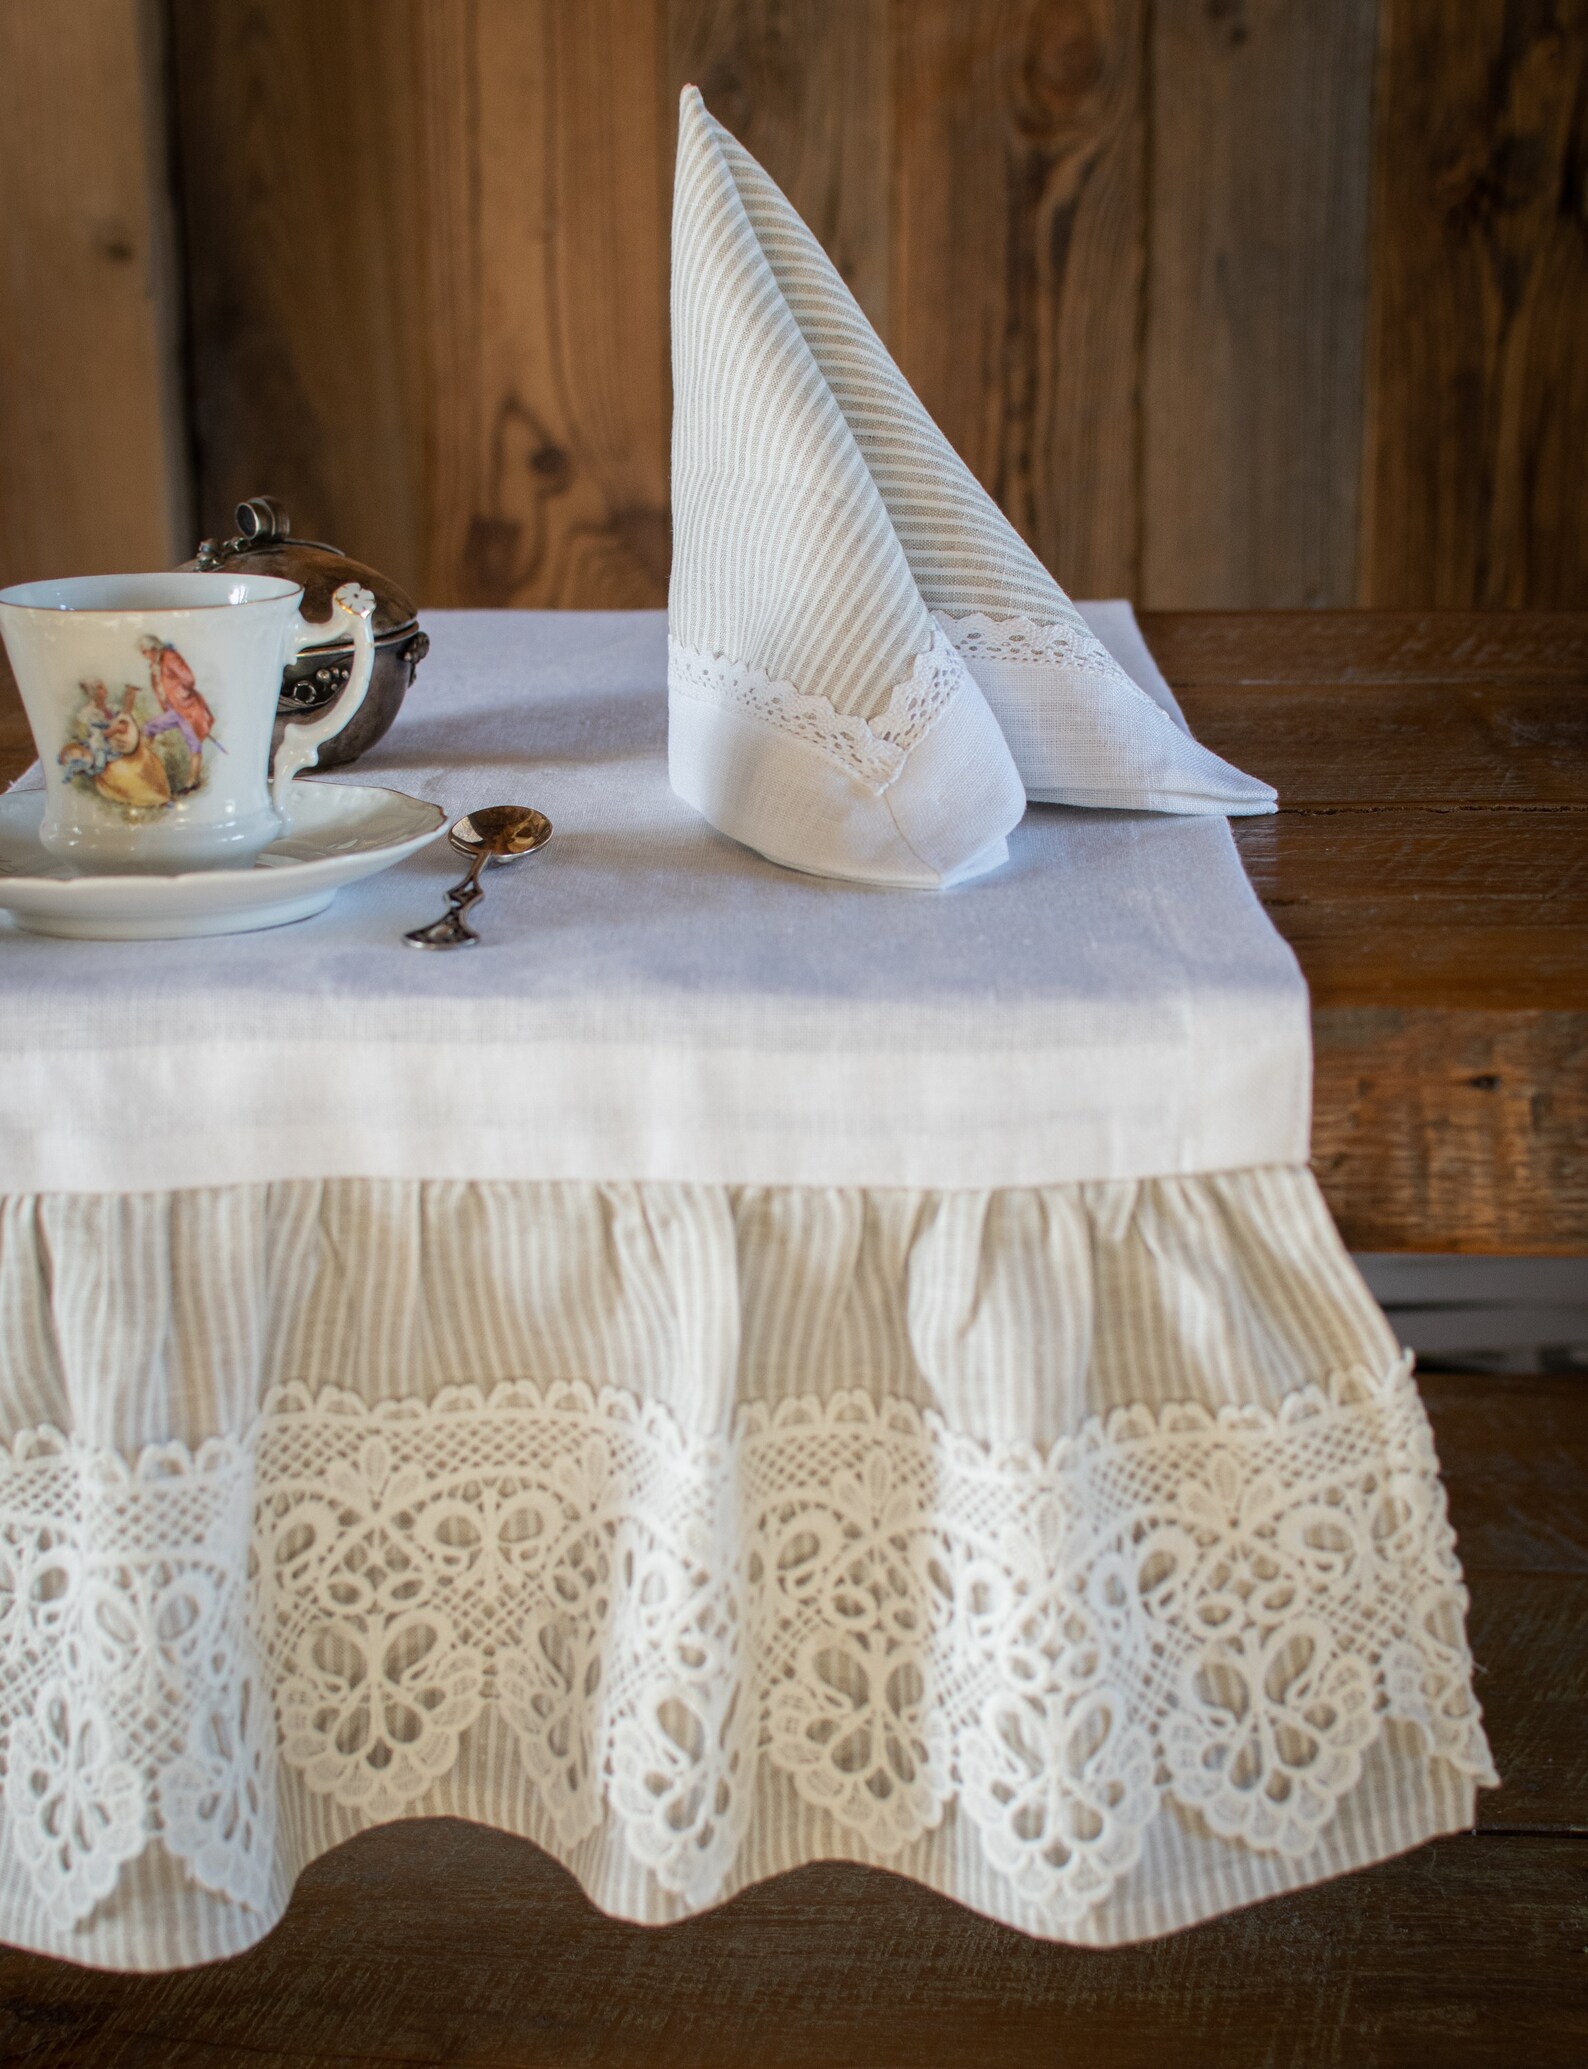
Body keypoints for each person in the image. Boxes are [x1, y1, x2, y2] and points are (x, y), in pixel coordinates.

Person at [139, 635, 219, 790]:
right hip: (175, 710)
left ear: (153, 649)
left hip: (188, 709)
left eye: (145, 651)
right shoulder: (155, 665)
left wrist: (180, 696)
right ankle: (145, 768)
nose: (144, 655)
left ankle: (192, 781)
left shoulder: (170, 657)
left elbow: (188, 679)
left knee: (194, 744)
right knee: (149, 728)